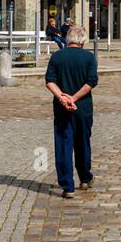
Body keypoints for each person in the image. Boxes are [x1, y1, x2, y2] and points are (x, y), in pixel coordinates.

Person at [43, 25, 99, 198]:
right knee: (82, 144)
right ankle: (84, 177)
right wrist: (74, 98)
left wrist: (62, 97)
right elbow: (91, 82)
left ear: (68, 39)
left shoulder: (57, 57)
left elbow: (49, 81)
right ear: (83, 40)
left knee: (63, 145)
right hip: (82, 108)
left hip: (61, 109)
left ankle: (68, 186)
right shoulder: (89, 58)